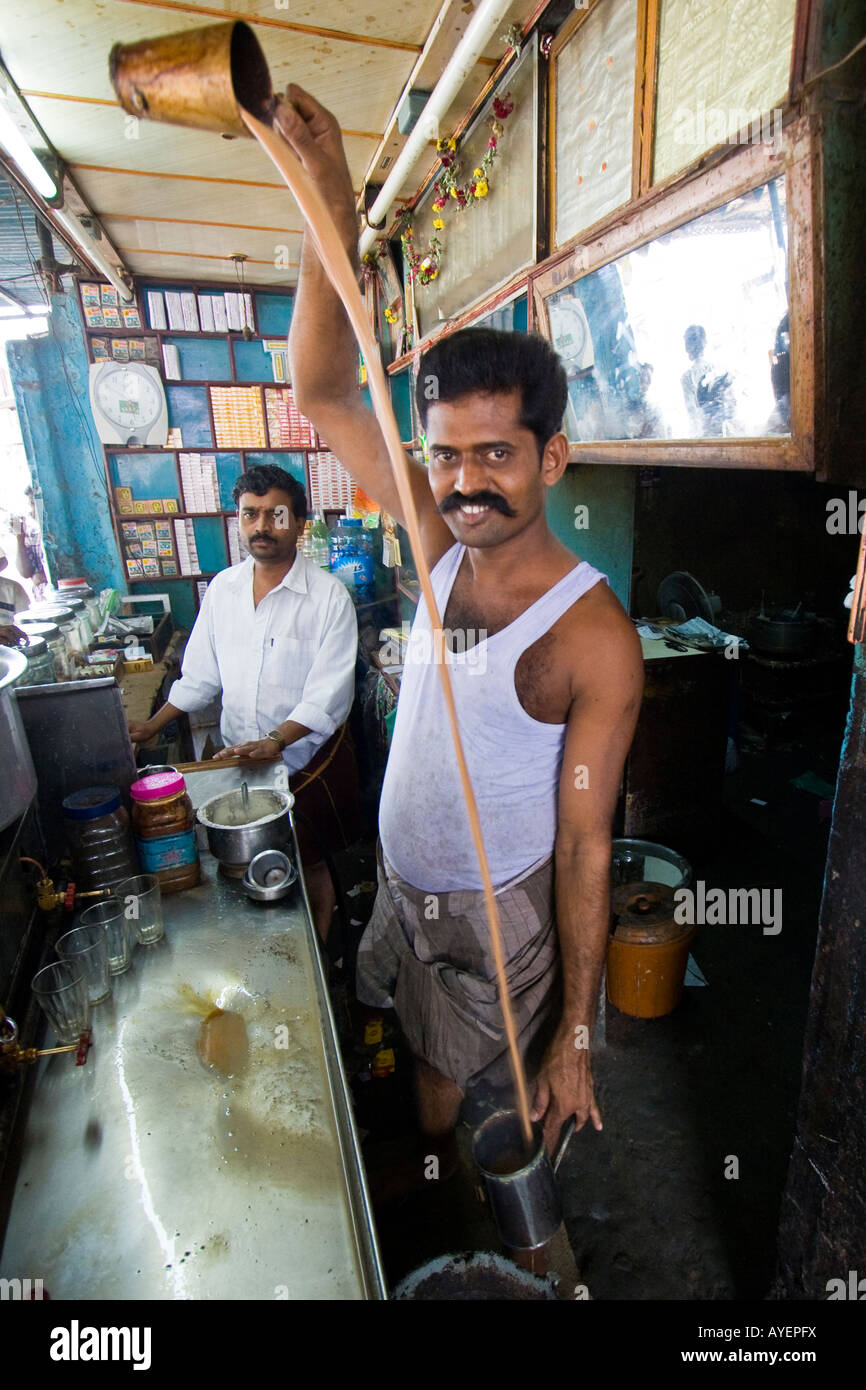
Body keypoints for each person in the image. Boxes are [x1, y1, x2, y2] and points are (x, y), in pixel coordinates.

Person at [279, 86, 644, 1179]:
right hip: (402, 881)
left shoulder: (593, 639)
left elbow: (585, 847)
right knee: (418, 1063)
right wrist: (326, 208)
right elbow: (320, 385)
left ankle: (462, 1199)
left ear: (551, 457)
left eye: (495, 453)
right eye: (446, 454)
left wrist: (577, 1037)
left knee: (457, 1117)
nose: (464, 481)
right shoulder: (437, 542)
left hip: (495, 920)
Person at [128, 464, 360, 939]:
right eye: (250, 515)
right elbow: (201, 677)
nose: (261, 527)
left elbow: (329, 695)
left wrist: (276, 740)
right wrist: (153, 726)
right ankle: (266, 941)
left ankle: (317, 947)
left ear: (299, 522)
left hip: (304, 758)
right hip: (237, 757)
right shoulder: (223, 591)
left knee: (312, 861)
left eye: (274, 514)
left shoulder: (329, 598)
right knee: (245, 861)